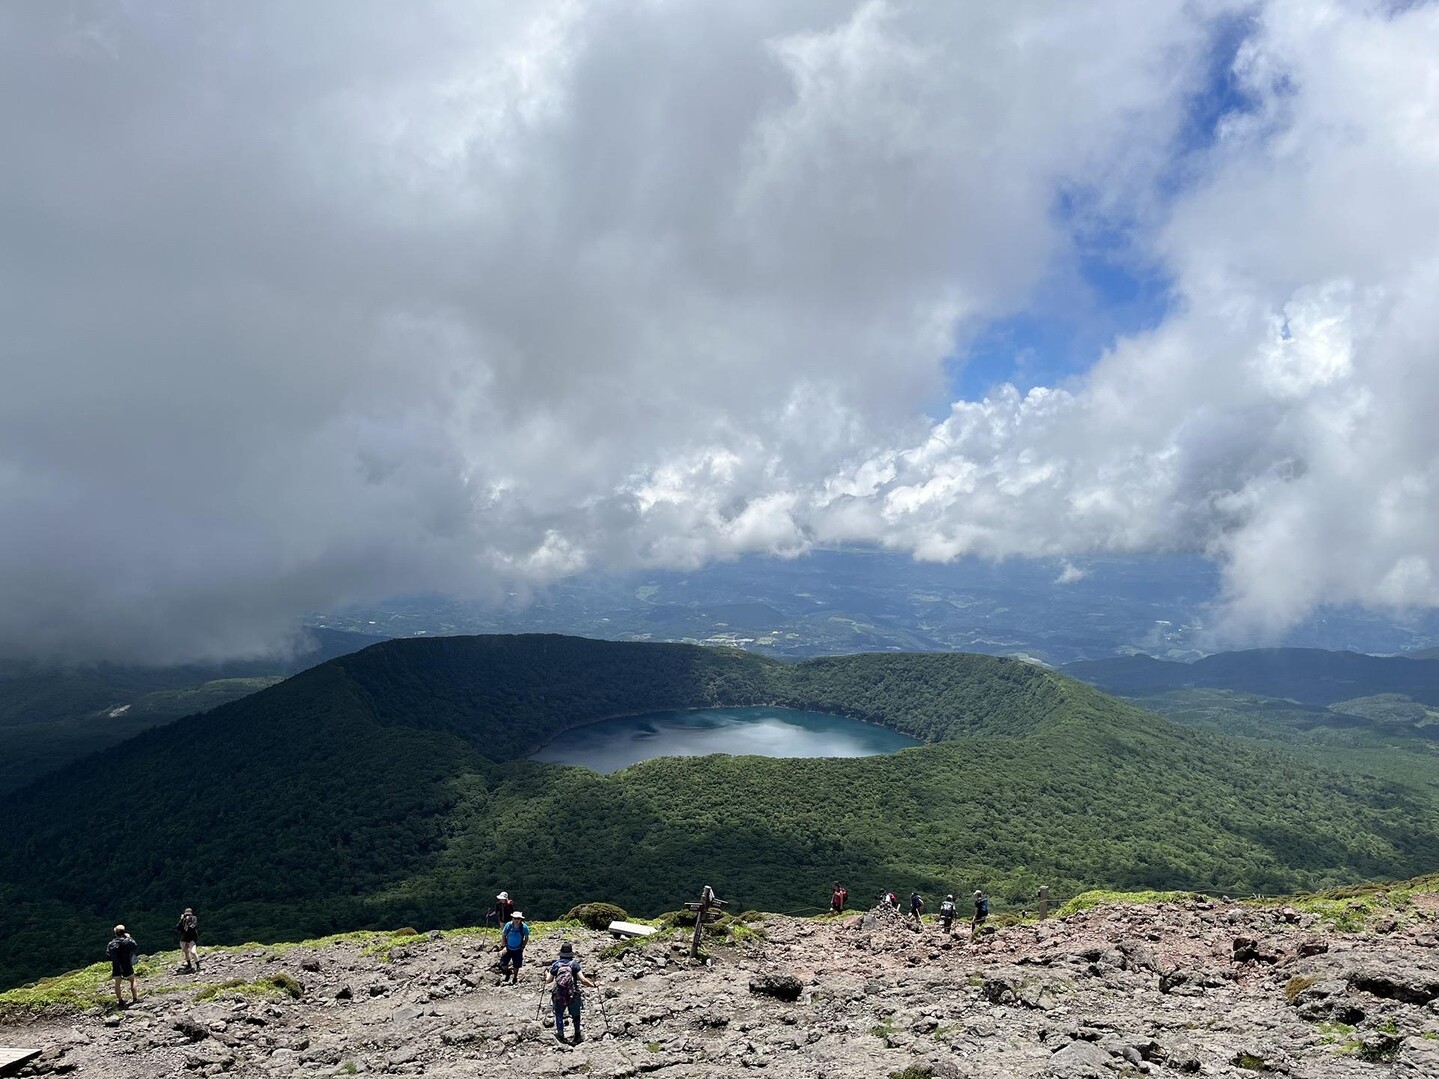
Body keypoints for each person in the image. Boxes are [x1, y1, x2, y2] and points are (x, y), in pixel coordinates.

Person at [545, 941, 597, 1044]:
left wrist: (546, 973)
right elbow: (582, 980)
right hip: (573, 994)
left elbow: (549, 980)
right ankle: (577, 1035)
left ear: (561, 953)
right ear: (571, 954)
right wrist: (593, 985)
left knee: (559, 1014)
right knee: (576, 1015)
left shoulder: (556, 965)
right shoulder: (574, 964)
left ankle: (561, 1036)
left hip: (559, 994)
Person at [107, 924, 140, 1006]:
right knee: (132, 980)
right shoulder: (127, 942)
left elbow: (108, 955)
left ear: (115, 933)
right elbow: (134, 946)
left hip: (116, 965)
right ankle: (135, 998)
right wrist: (129, 937)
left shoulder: (111, 944)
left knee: (117, 983)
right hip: (126, 964)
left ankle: (120, 1000)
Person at [497, 910, 529, 985]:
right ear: (512, 918)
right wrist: (504, 946)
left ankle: (515, 977)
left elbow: (526, 937)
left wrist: (523, 946)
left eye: (518, 918)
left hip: (518, 949)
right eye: (515, 918)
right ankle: (508, 973)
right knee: (503, 964)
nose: (516, 920)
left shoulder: (524, 927)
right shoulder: (508, 925)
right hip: (508, 948)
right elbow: (504, 935)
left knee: (516, 965)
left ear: (521, 919)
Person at [176, 907, 200, 973]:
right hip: (184, 939)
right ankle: (189, 964)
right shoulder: (183, 920)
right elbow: (178, 928)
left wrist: (188, 922)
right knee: (185, 951)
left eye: (189, 915)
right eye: (186, 915)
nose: (187, 916)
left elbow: (193, 926)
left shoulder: (194, 918)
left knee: (193, 952)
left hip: (192, 938)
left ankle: (198, 966)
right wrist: (181, 920)